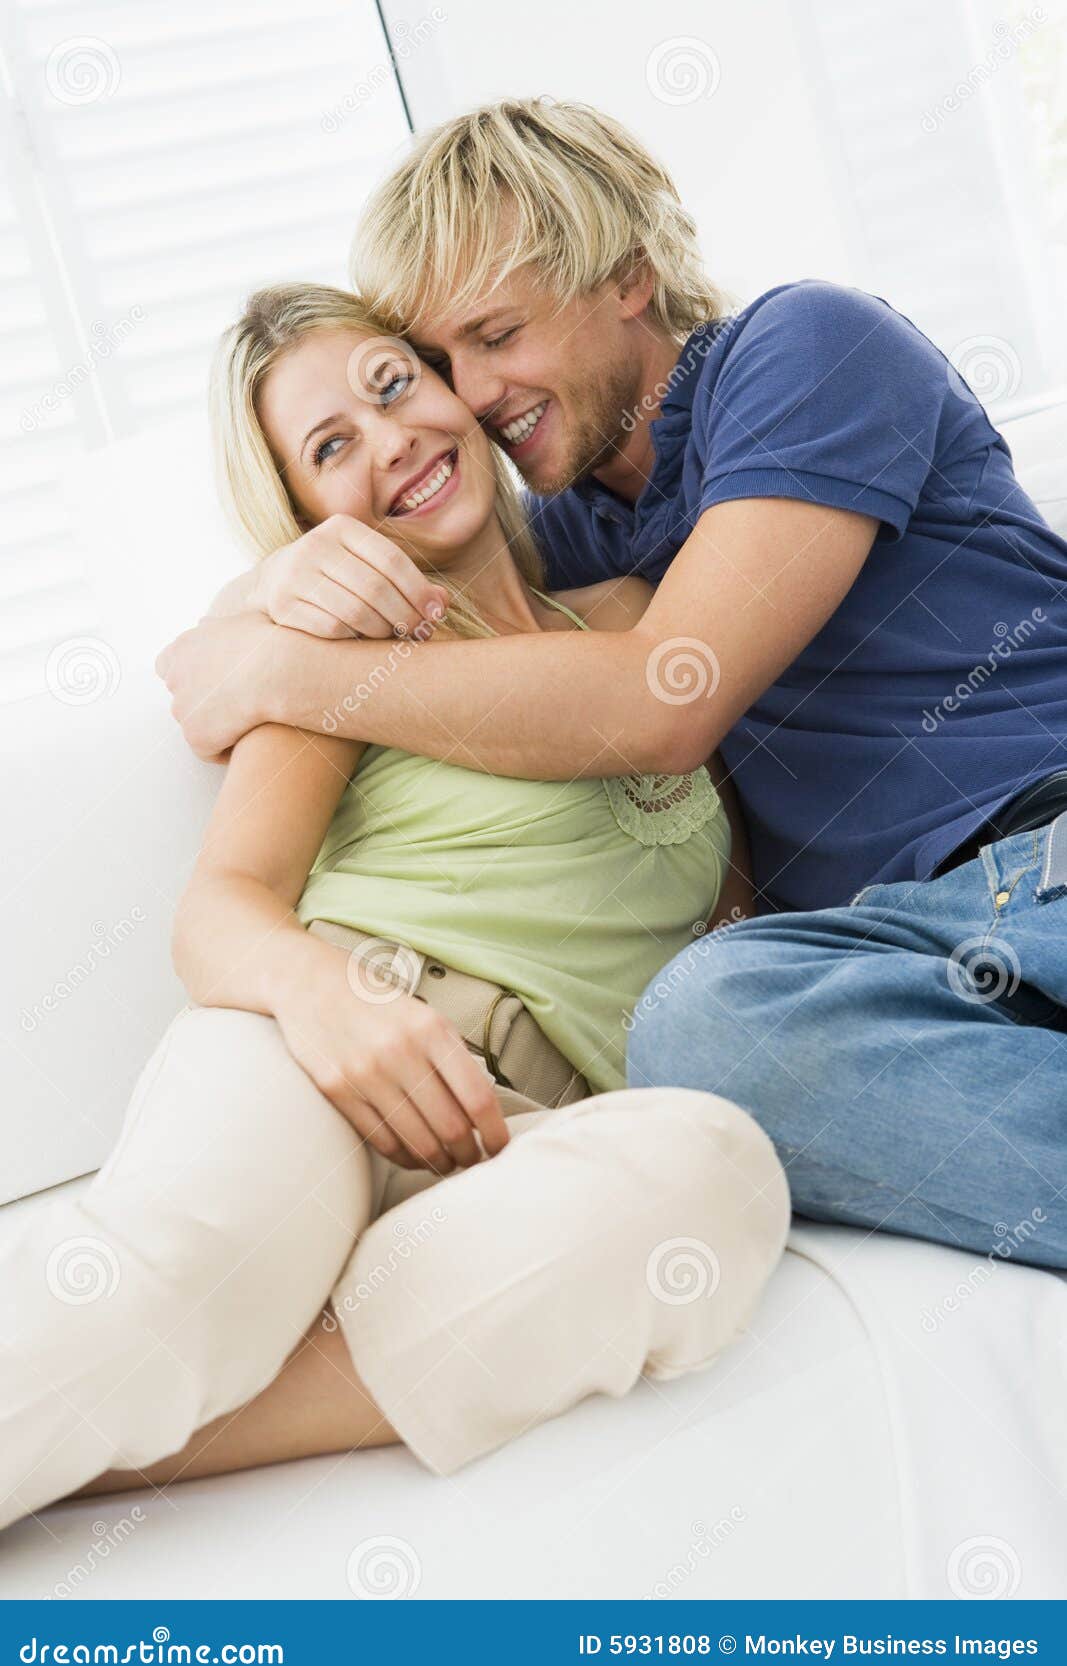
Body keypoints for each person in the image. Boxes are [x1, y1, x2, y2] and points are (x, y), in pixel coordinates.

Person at [158, 98, 1067, 1270]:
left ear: (629, 277)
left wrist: (286, 667)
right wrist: (275, 580)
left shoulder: (809, 352)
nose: (472, 394)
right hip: (895, 965)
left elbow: (660, 701)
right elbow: (201, 677)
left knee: (704, 1017)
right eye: (441, 361)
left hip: (1038, 851)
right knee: (707, 1030)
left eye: (497, 334)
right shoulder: (575, 539)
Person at [0, 285, 788, 1533]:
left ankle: (131, 1434)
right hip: (319, 1047)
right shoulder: (328, 657)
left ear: (451, 389)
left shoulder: (638, 629)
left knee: (714, 1180)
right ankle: (167, 1365)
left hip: (515, 1134)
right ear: (305, 516)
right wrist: (333, 1003)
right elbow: (218, 908)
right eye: (330, 447)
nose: (390, 442)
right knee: (181, 1285)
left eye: (392, 387)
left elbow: (731, 940)